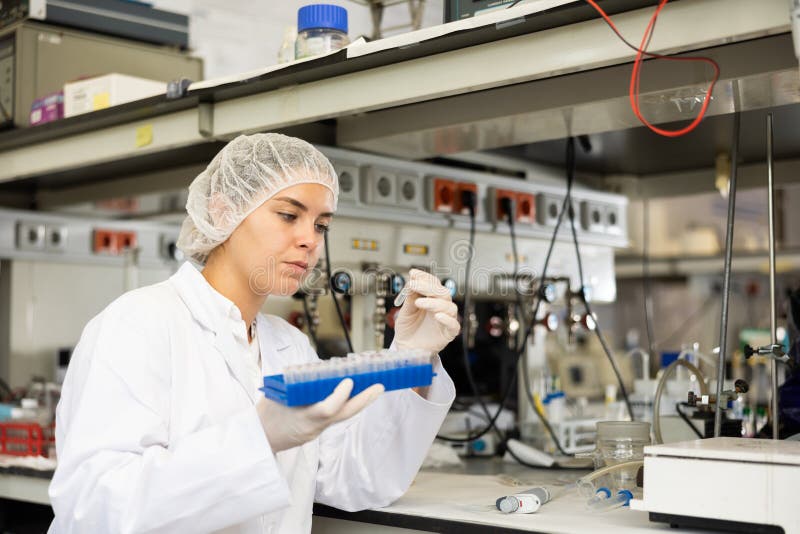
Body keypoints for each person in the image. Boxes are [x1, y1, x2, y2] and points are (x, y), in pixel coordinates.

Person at [48, 134, 460, 533]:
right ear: (223, 211)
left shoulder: (289, 345)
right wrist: (258, 437)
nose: (310, 241)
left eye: (321, 225)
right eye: (289, 215)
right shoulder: (139, 324)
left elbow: (357, 479)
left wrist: (411, 357)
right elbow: (95, 510)